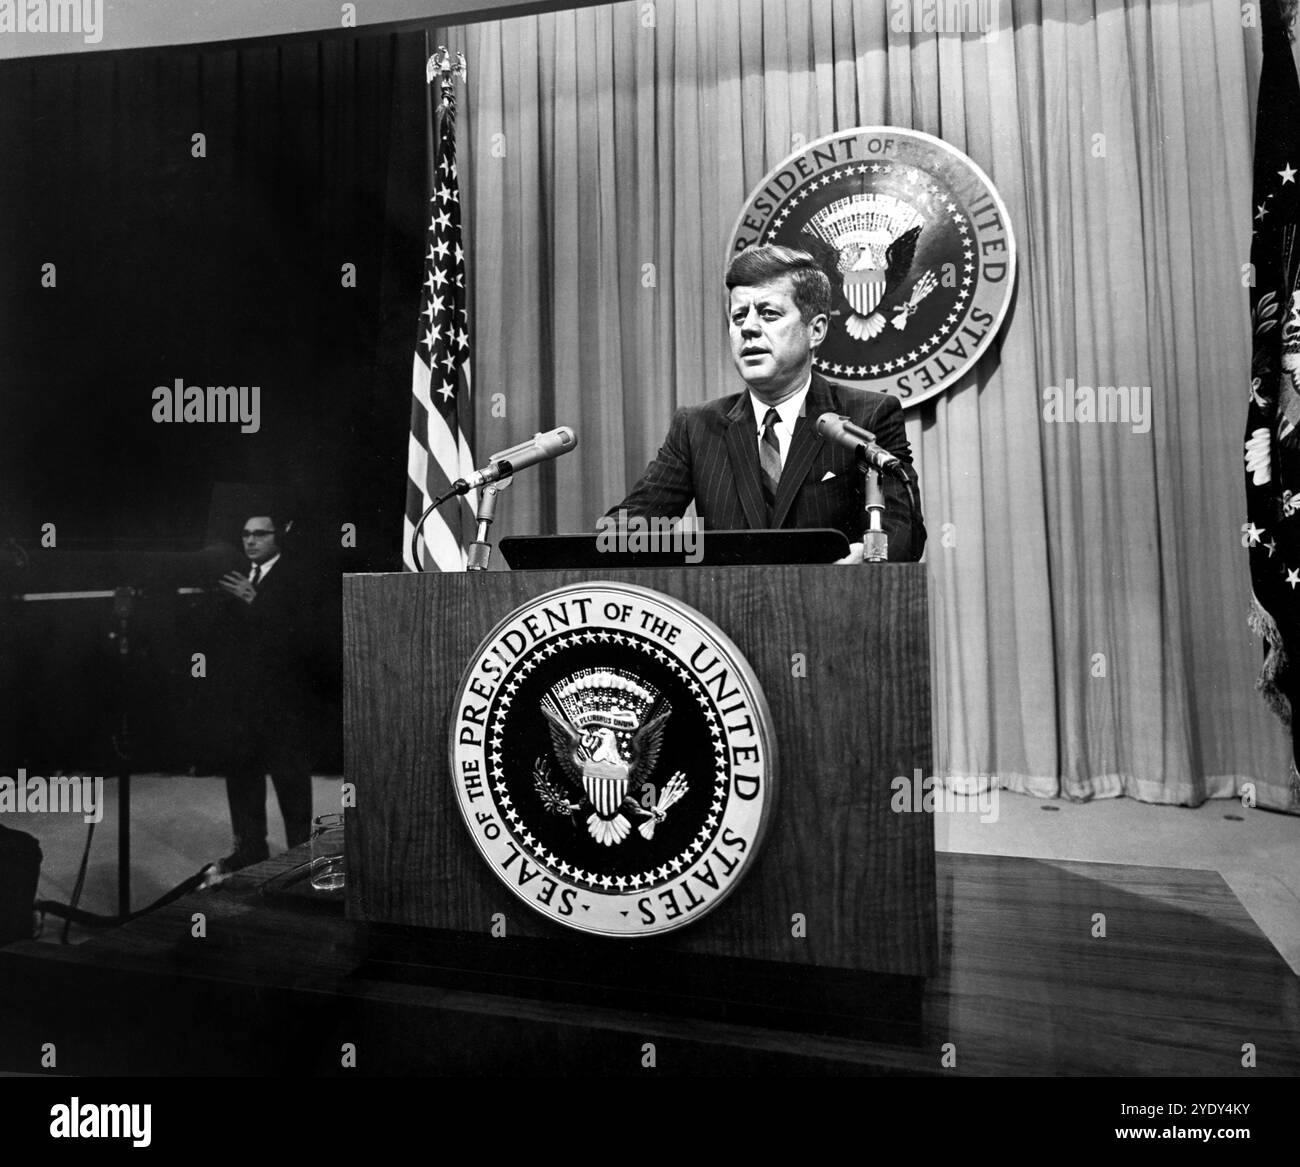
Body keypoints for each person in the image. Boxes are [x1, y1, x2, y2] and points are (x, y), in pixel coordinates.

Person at [607, 244, 925, 561]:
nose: (748, 328)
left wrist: (866, 555)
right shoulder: (697, 427)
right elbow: (630, 530)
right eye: (738, 316)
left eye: (768, 314)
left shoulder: (867, 417)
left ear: (816, 330)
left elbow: (903, 528)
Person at [204, 513, 318, 877]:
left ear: (277, 537)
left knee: (291, 783)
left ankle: (301, 856)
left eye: (260, 534)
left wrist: (257, 601)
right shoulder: (235, 577)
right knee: (241, 777)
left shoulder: (295, 577)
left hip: (284, 703)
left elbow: (304, 637)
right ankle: (249, 849)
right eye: (246, 534)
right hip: (241, 703)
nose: (250, 541)